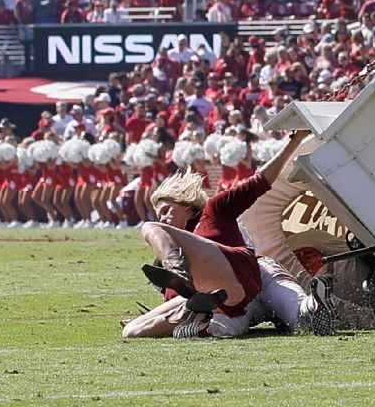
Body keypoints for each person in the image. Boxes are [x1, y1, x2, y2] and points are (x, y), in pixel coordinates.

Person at [121, 135, 332, 338]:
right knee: (214, 327)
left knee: (150, 227)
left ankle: (314, 305)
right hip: (229, 300)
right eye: (160, 214)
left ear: (187, 207)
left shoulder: (213, 210)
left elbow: (260, 181)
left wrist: (294, 141)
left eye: (167, 210)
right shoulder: (166, 267)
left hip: (255, 273)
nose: (164, 218)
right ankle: (315, 308)